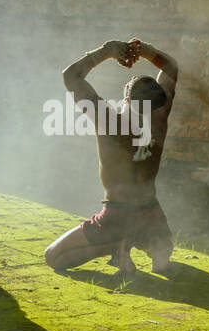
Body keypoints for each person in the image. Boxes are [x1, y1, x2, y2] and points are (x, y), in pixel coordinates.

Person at [44, 37, 178, 274]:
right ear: (159, 101)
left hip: (118, 215)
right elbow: (171, 68)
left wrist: (107, 52)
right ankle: (151, 248)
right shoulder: (160, 117)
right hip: (151, 213)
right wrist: (145, 51)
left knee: (53, 257)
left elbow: (71, 76)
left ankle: (115, 245)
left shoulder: (110, 121)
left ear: (126, 100)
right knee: (162, 260)